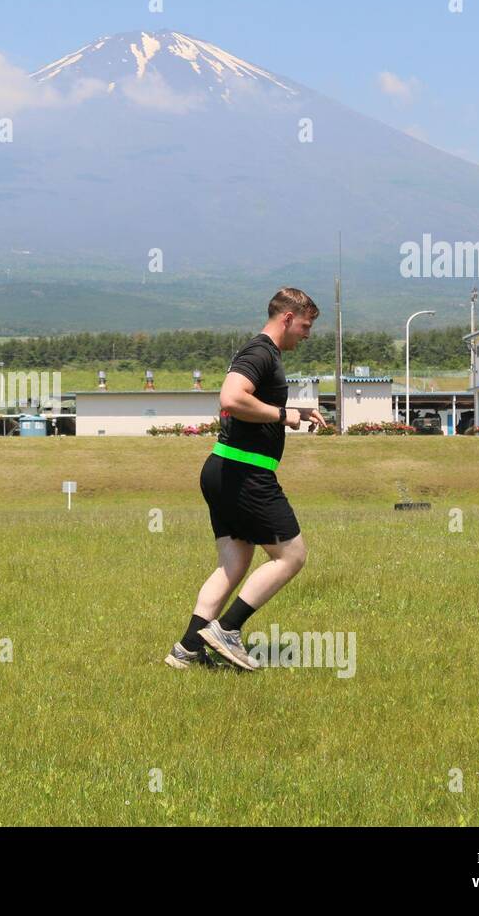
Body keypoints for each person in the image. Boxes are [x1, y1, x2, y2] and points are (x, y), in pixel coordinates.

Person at [165, 287, 325, 670]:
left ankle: (186, 650)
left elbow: (252, 402)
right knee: (291, 555)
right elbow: (232, 398)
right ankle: (228, 630)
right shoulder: (261, 352)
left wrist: (295, 411)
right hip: (245, 472)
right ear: (287, 318)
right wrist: (282, 416)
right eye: (305, 326)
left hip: (222, 468)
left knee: (234, 563)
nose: (307, 334)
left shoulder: (262, 353)